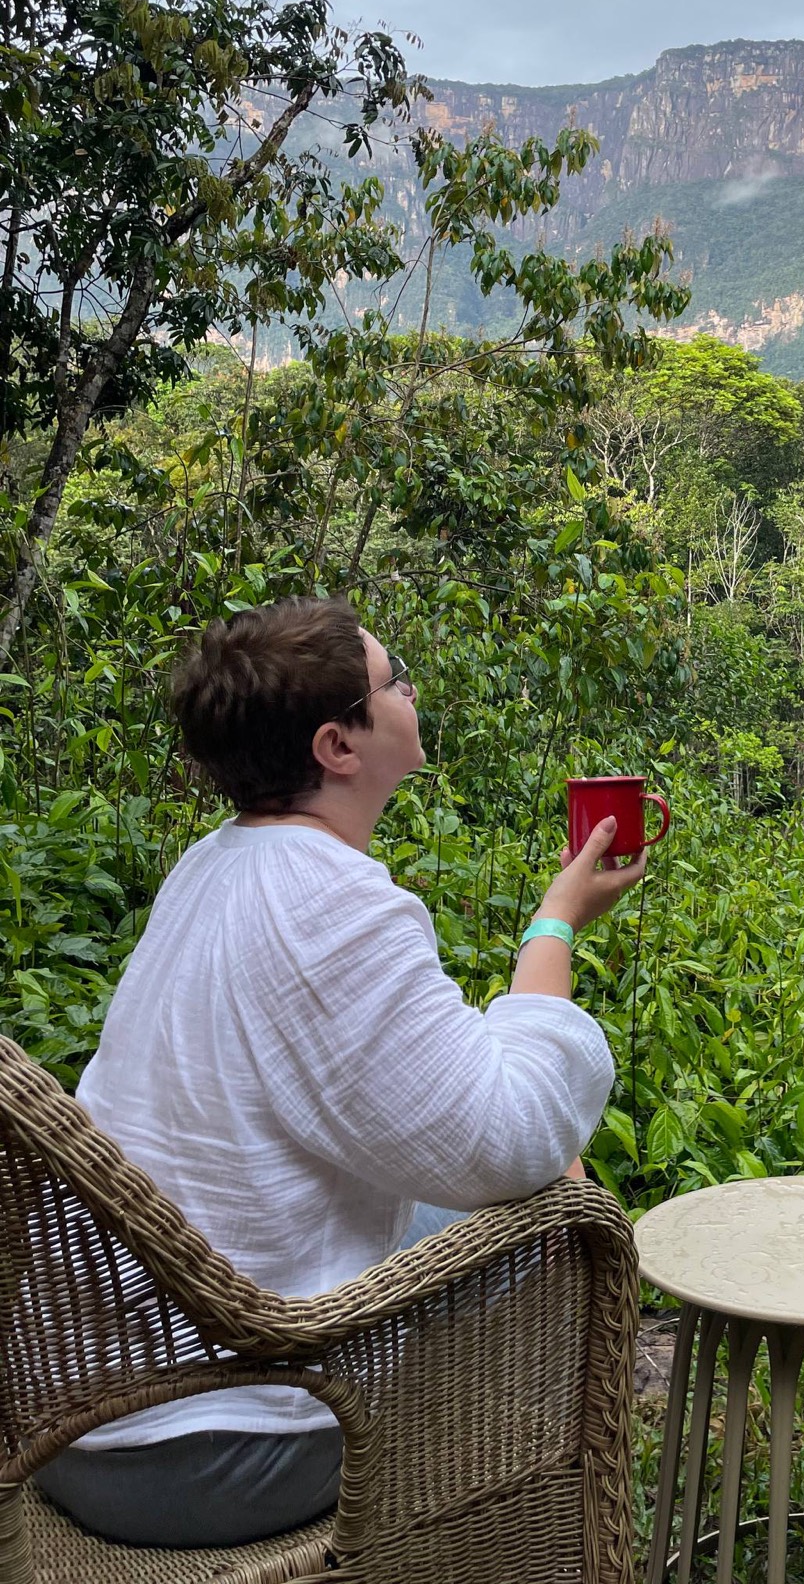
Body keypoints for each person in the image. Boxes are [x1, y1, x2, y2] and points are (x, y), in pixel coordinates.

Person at [34, 595, 643, 1548]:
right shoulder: (329, 908)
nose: (412, 694)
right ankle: (529, 1526)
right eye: (396, 682)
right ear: (338, 746)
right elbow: (511, 1140)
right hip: (210, 1449)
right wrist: (554, 924)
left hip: (81, 1412)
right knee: (562, 1215)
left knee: (522, 1184)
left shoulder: (214, 865)